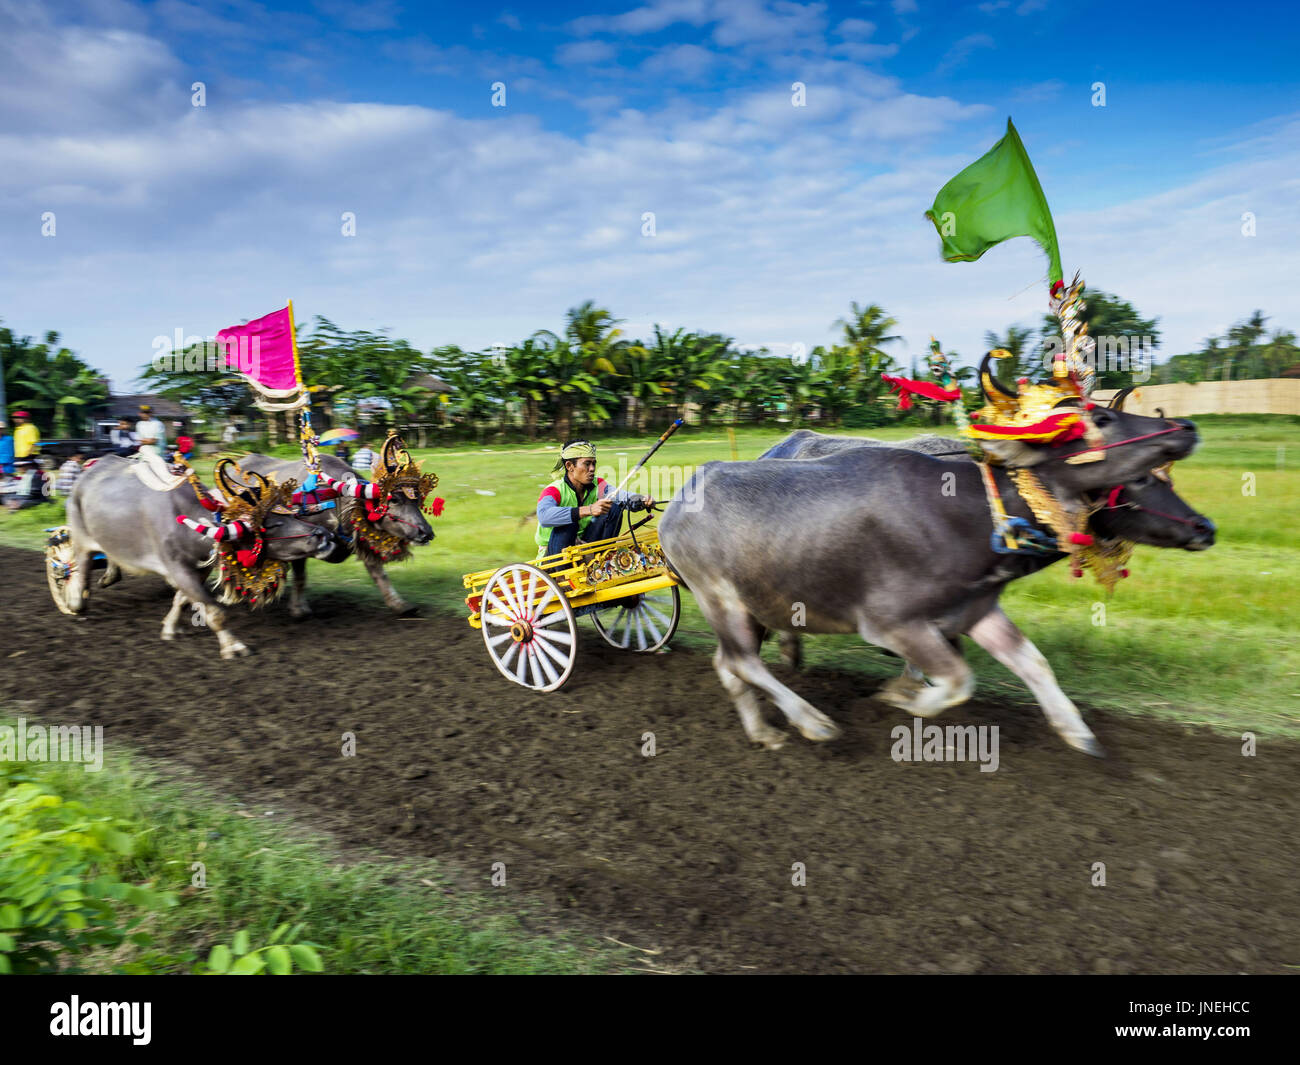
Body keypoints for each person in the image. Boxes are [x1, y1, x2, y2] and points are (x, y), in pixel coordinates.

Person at [535, 439, 654, 558]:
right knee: (568, 523)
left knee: (613, 507)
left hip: (584, 546)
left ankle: (603, 559)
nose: (592, 468)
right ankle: (563, 575)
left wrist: (641, 499)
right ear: (570, 466)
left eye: (593, 464)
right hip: (554, 554)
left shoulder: (598, 485)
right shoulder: (553, 490)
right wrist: (590, 509)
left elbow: (621, 496)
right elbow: (544, 516)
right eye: (587, 464)